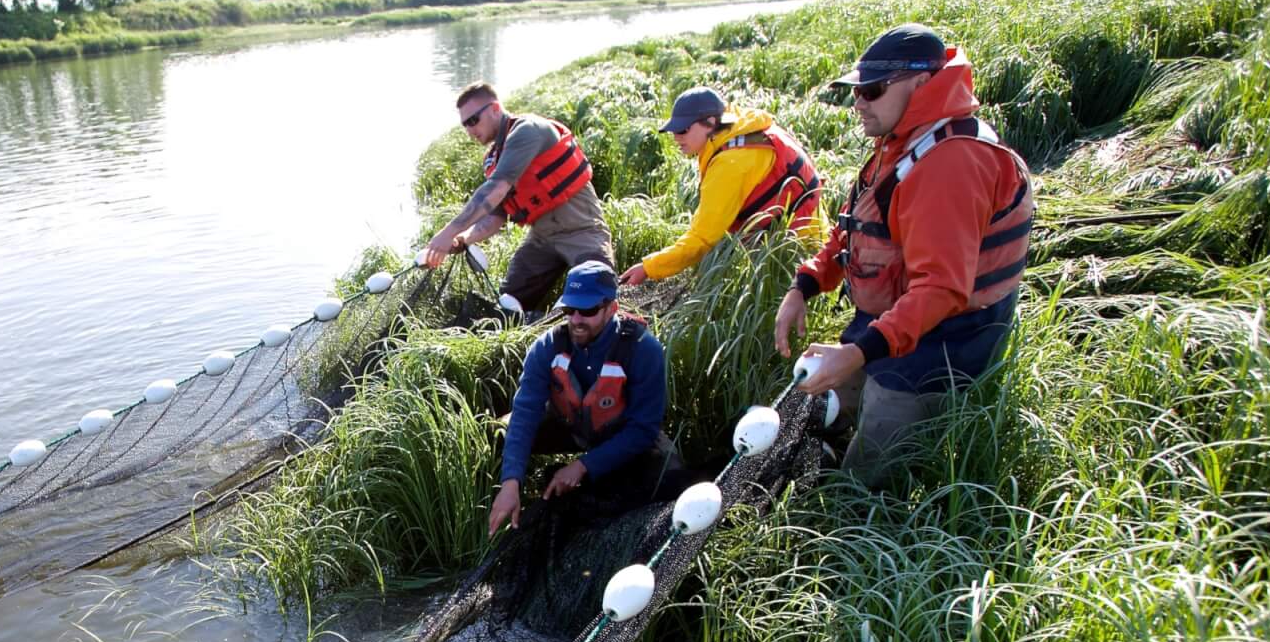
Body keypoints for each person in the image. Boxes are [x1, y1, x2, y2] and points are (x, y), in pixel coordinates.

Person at [774, 24, 1034, 484]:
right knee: (828, 399)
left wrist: (857, 353)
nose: (858, 103)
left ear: (920, 84)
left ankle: (859, 513)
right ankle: (834, 446)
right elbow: (854, 225)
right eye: (855, 91)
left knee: (870, 465)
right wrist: (805, 284)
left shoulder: (949, 163)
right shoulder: (904, 140)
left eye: (871, 91)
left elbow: (941, 290)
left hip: (950, 336)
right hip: (896, 314)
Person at [489, 261, 676, 533]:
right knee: (500, 433)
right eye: (569, 309)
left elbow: (644, 429)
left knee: (672, 480)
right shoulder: (547, 347)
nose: (576, 319)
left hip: (624, 434)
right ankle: (508, 498)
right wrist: (510, 481)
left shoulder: (643, 349)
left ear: (611, 308)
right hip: (570, 425)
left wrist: (583, 466)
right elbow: (525, 415)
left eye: (587, 310)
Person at [421, 82, 615, 316]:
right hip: (542, 240)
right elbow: (496, 215)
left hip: (582, 231)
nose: (470, 130)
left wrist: (447, 232)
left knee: (598, 297)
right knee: (507, 303)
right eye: (465, 124)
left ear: (494, 108)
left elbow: (496, 189)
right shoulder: (493, 159)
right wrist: (463, 239)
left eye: (474, 120)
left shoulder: (527, 130)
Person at [619, 86, 825, 288]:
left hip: (796, 254)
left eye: (683, 129)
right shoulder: (741, 127)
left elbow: (702, 239)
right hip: (812, 229)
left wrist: (648, 268)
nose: (676, 137)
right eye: (673, 130)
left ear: (710, 123)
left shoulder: (729, 165)